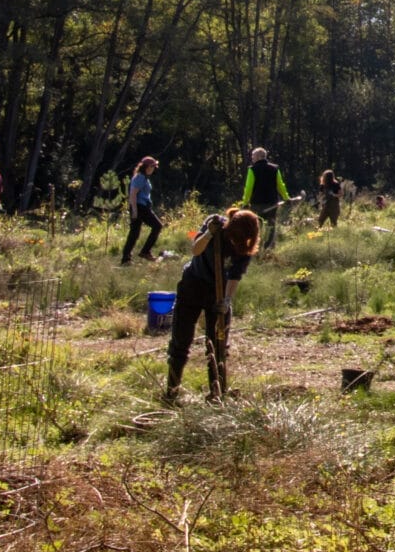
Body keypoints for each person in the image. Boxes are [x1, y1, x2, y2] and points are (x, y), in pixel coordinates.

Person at [164, 207, 261, 402]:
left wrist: (226, 301)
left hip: (218, 293)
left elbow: (234, 277)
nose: (236, 243)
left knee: (217, 345)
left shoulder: (245, 246)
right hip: (192, 286)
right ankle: (171, 393)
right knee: (181, 342)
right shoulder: (215, 225)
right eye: (233, 239)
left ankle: (217, 394)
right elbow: (195, 250)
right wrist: (208, 233)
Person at [240, 147, 288, 250]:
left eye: (253, 156)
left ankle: (257, 247)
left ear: (258, 157)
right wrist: (286, 197)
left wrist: (245, 203)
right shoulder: (274, 169)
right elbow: (280, 185)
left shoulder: (252, 169)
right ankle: (269, 248)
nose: (252, 158)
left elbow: (248, 188)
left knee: (257, 226)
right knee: (271, 225)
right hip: (272, 202)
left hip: (257, 203)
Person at [121, 156, 163, 264]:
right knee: (157, 226)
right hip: (140, 207)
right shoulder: (140, 177)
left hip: (141, 206)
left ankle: (126, 259)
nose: (153, 169)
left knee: (134, 233)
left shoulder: (143, 177)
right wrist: (135, 211)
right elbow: (133, 194)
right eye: (152, 166)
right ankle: (145, 251)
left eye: (154, 167)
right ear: (146, 167)